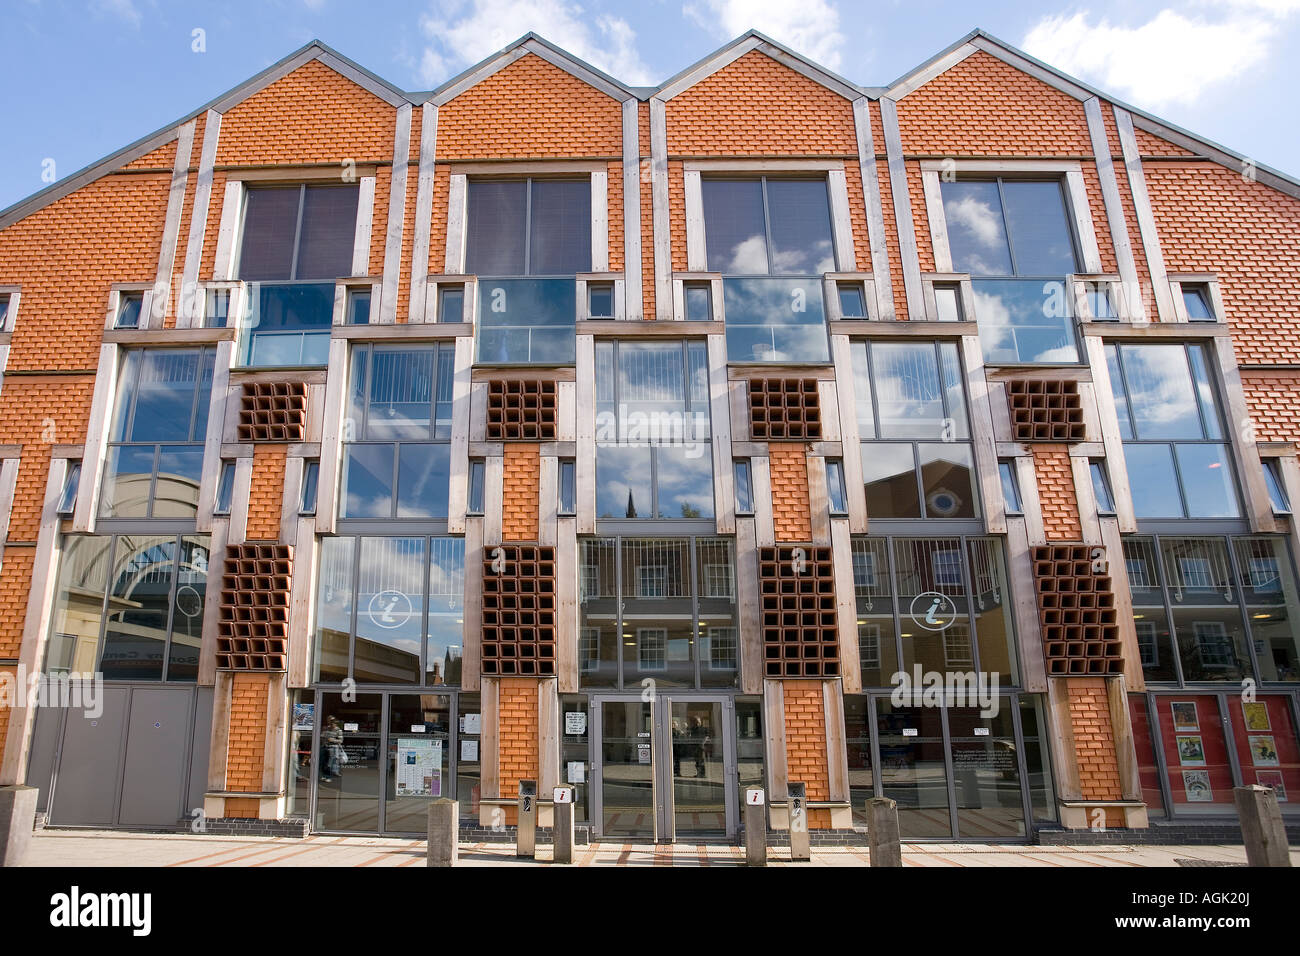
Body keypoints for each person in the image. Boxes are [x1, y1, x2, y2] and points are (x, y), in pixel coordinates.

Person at [321, 717, 344, 781]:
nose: (331, 724)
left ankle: (328, 777)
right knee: (324, 763)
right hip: (325, 747)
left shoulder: (338, 730)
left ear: (335, 723)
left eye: (333, 723)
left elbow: (341, 740)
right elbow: (322, 736)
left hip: (333, 748)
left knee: (329, 764)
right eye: (331, 723)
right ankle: (324, 776)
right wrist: (323, 736)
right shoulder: (327, 728)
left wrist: (333, 740)